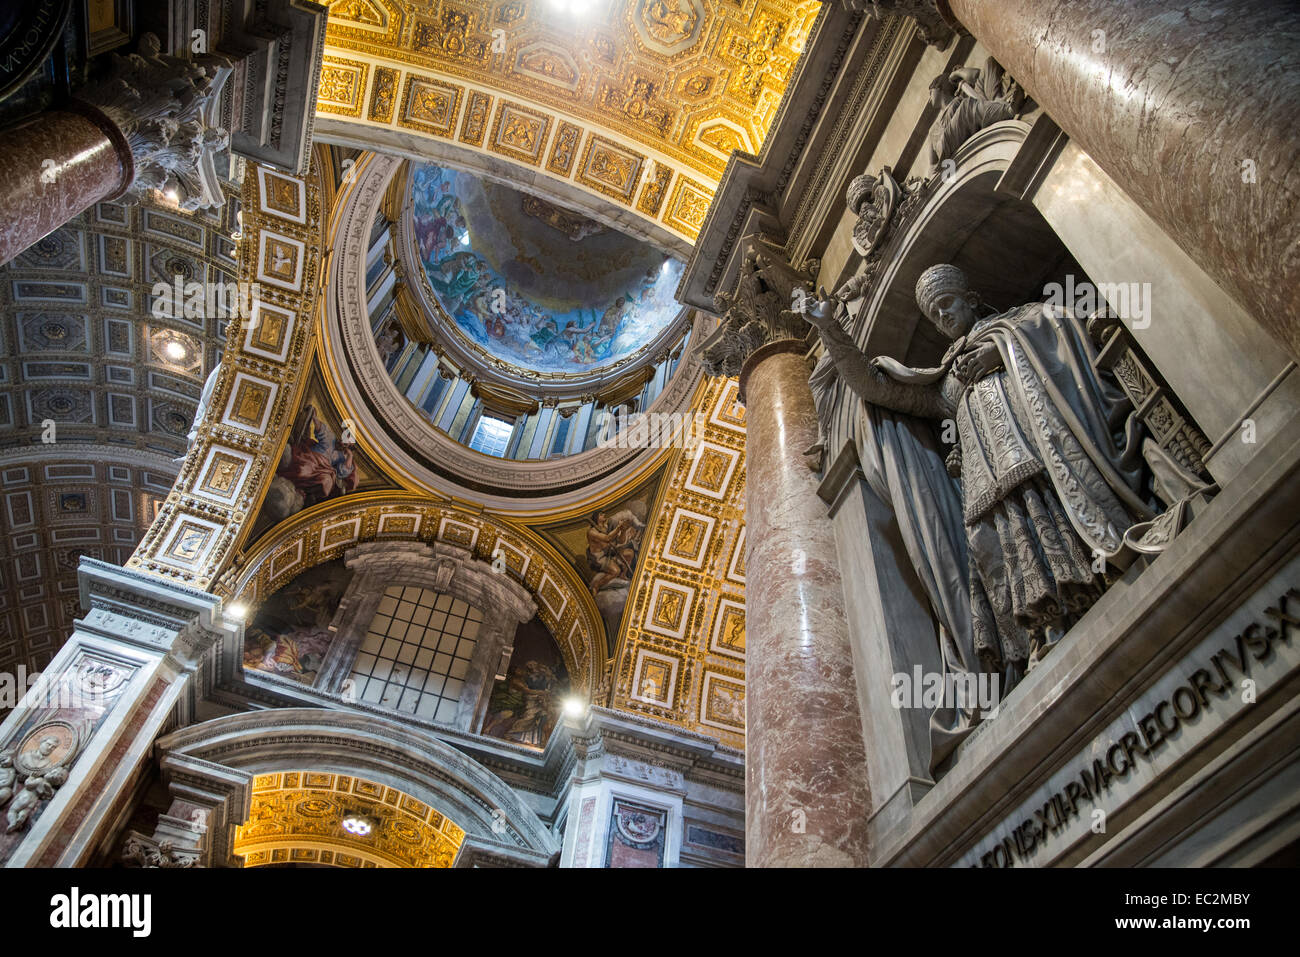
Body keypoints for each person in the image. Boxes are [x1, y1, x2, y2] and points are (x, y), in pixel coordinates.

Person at [805, 264, 1154, 690]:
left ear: (970, 299)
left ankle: (1097, 587)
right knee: (1006, 548)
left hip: (1039, 451)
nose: (942, 317)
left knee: (1056, 515)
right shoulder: (944, 379)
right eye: (934, 314)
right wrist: (830, 330)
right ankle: (1047, 630)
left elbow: (1062, 324)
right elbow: (876, 388)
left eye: (947, 304)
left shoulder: (1015, 324)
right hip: (986, 482)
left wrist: (1004, 350)